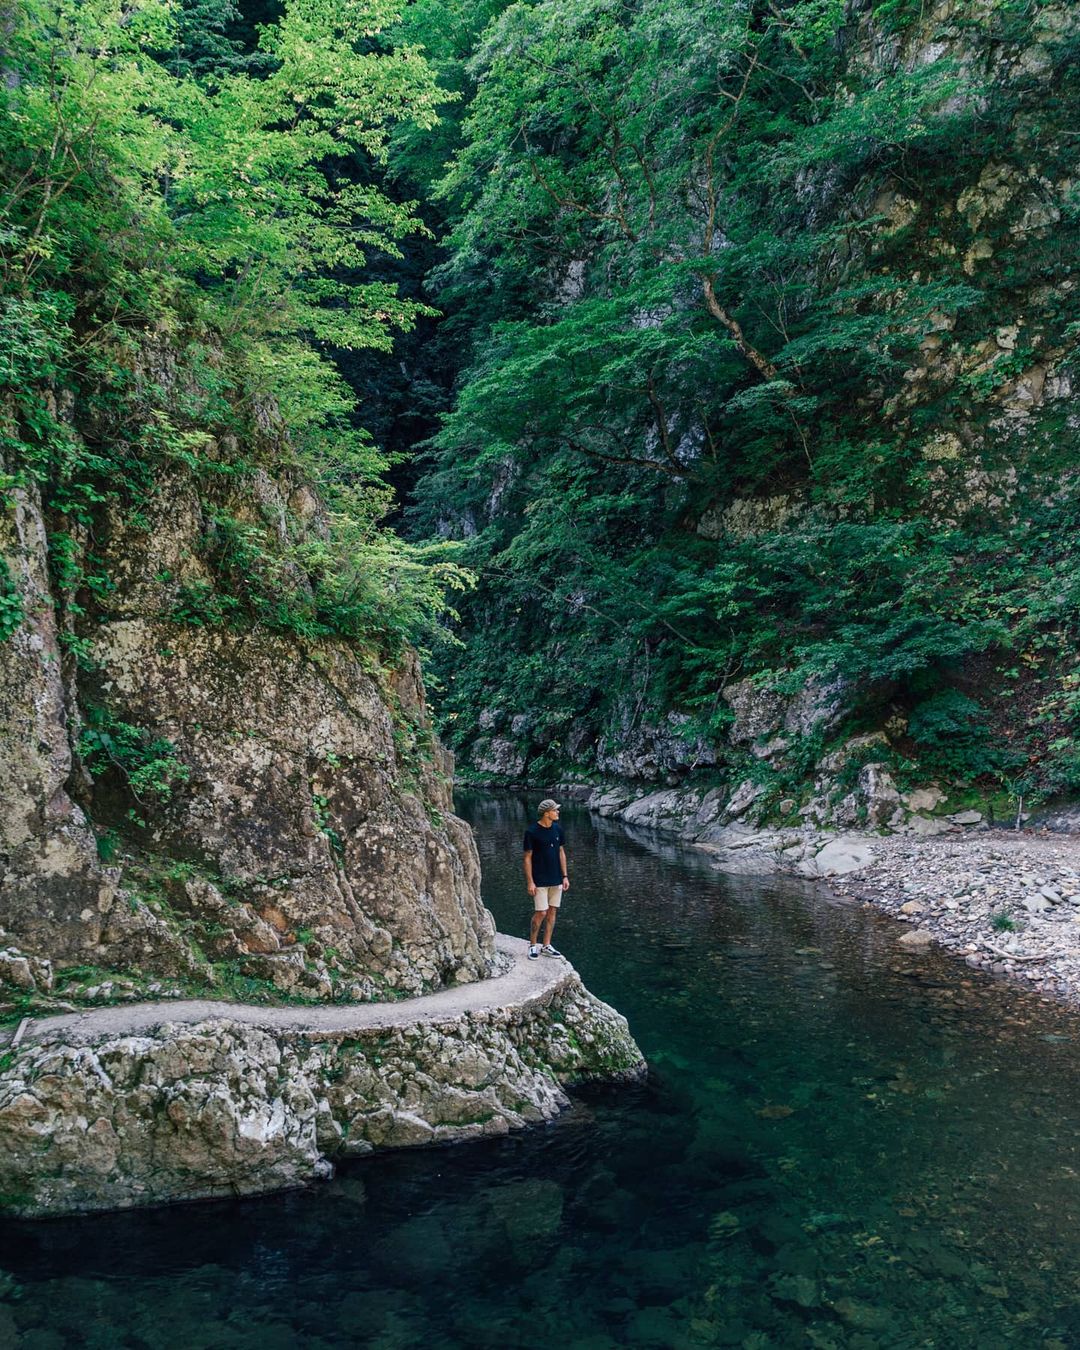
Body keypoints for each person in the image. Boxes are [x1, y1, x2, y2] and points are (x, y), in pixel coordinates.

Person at [523, 798, 569, 960]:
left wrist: (565, 876)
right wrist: (530, 881)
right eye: (555, 810)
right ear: (546, 813)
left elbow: (561, 852)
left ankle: (546, 945)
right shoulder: (532, 832)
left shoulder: (558, 829)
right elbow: (527, 857)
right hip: (539, 879)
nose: (557, 812)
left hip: (556, 878)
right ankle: (532, 945)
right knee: (541, 912)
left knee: (551, 912)